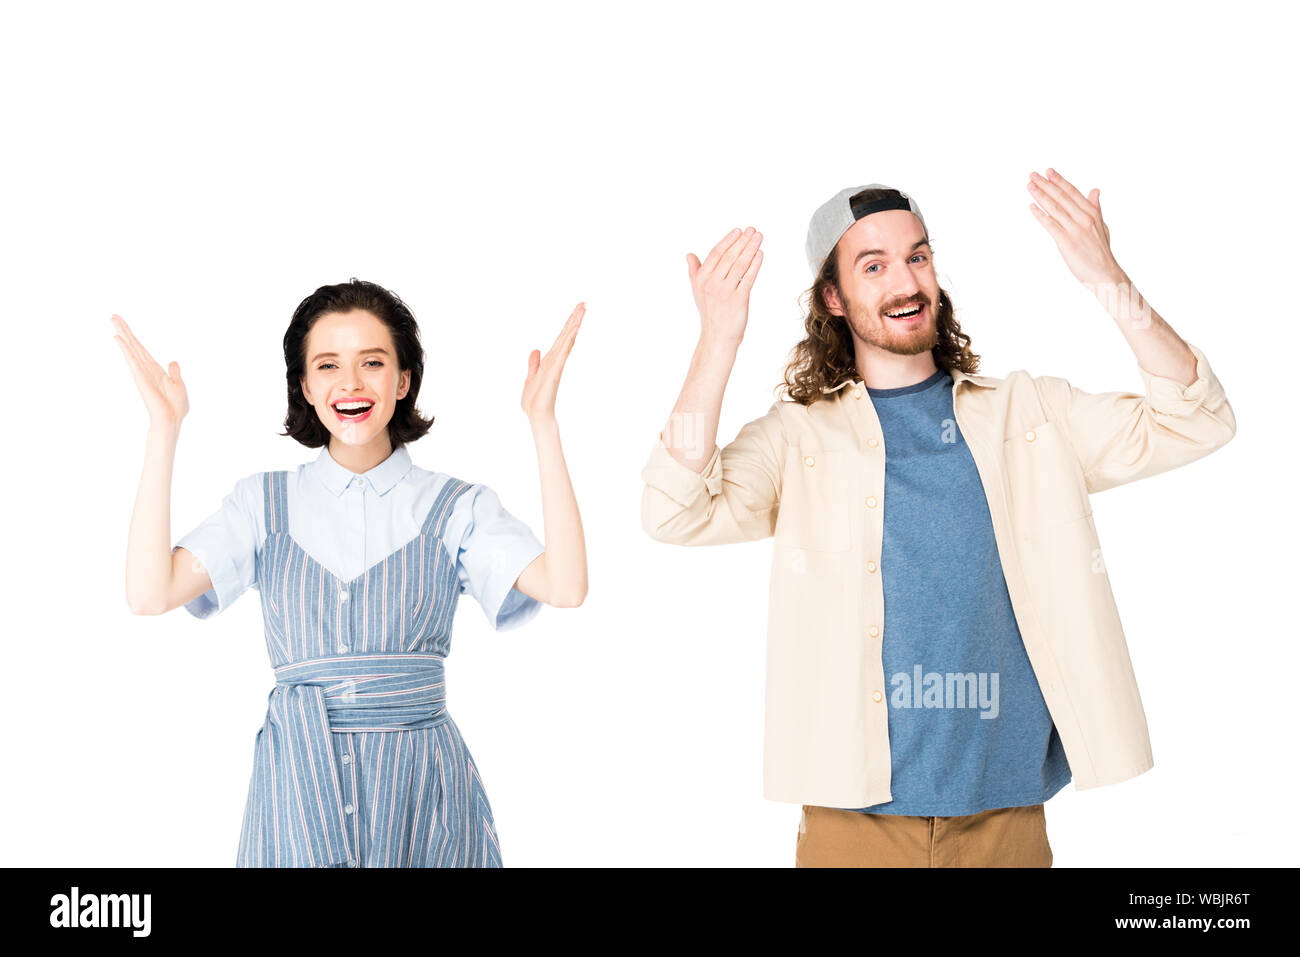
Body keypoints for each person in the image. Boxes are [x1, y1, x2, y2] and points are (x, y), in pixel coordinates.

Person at [640, 172, 1237, 867]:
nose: (907, 281)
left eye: (917, 256)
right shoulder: (798, 440)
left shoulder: (1029, 414)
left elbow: (1200, 419)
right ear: (832, 298)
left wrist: (1105, 276)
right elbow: (671, 509)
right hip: (851, 827)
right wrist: (718, 340)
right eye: (875, 265)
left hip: (1006, 818)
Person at [116, 278, 588, 867]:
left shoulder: (456, 506)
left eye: (372, 362)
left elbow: (565, 586)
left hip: (424, 792)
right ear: (306, 387)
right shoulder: (262, 504)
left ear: (404, 379)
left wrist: (543, 422)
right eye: (328, 364)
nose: (352, 383)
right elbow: (148, 593)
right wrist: (164, 429)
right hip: (298, 788)